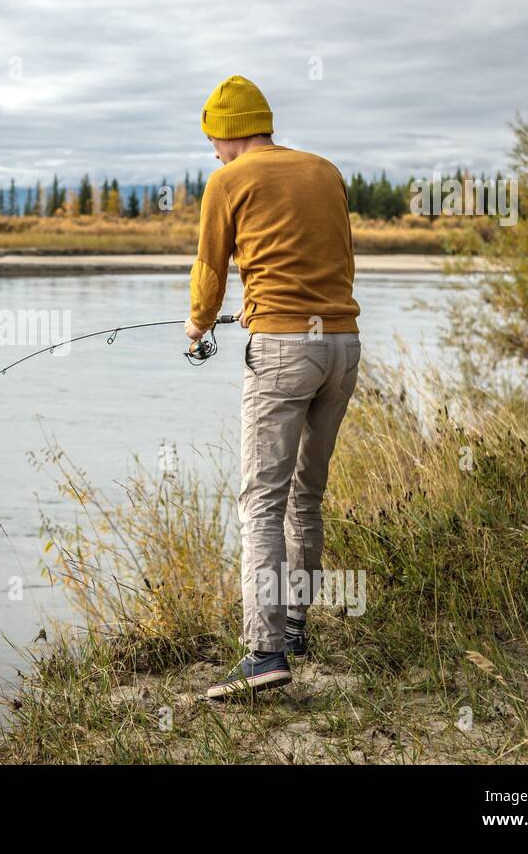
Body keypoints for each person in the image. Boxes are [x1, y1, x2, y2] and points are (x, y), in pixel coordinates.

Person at [184, 75, 362, 698]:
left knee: (261, 499)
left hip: (284, 352)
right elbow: (332, 256)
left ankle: (264, 655)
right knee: (305, 495)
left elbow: (210, 265)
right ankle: (294, 625)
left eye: (211, 137)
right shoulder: (325, 170)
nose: (212, 151)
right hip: (342, 344)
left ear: (227, 132)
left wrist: (197, 325)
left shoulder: (227, 181)